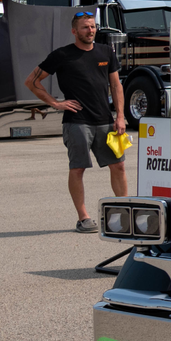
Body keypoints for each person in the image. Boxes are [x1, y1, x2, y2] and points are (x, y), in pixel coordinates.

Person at [27, 12, 128, 231]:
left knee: (118, 165)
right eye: (84, 27)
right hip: (77, 122)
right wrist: (55, 103)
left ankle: (125, 211)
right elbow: (32, 81)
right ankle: (84, 218)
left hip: (105, 121)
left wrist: (120, 116)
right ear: (74, 31)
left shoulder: (106, 51)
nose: (90, 31)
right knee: (78, 168)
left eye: (92, 27)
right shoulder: (62, 55)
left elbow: (116, 85)